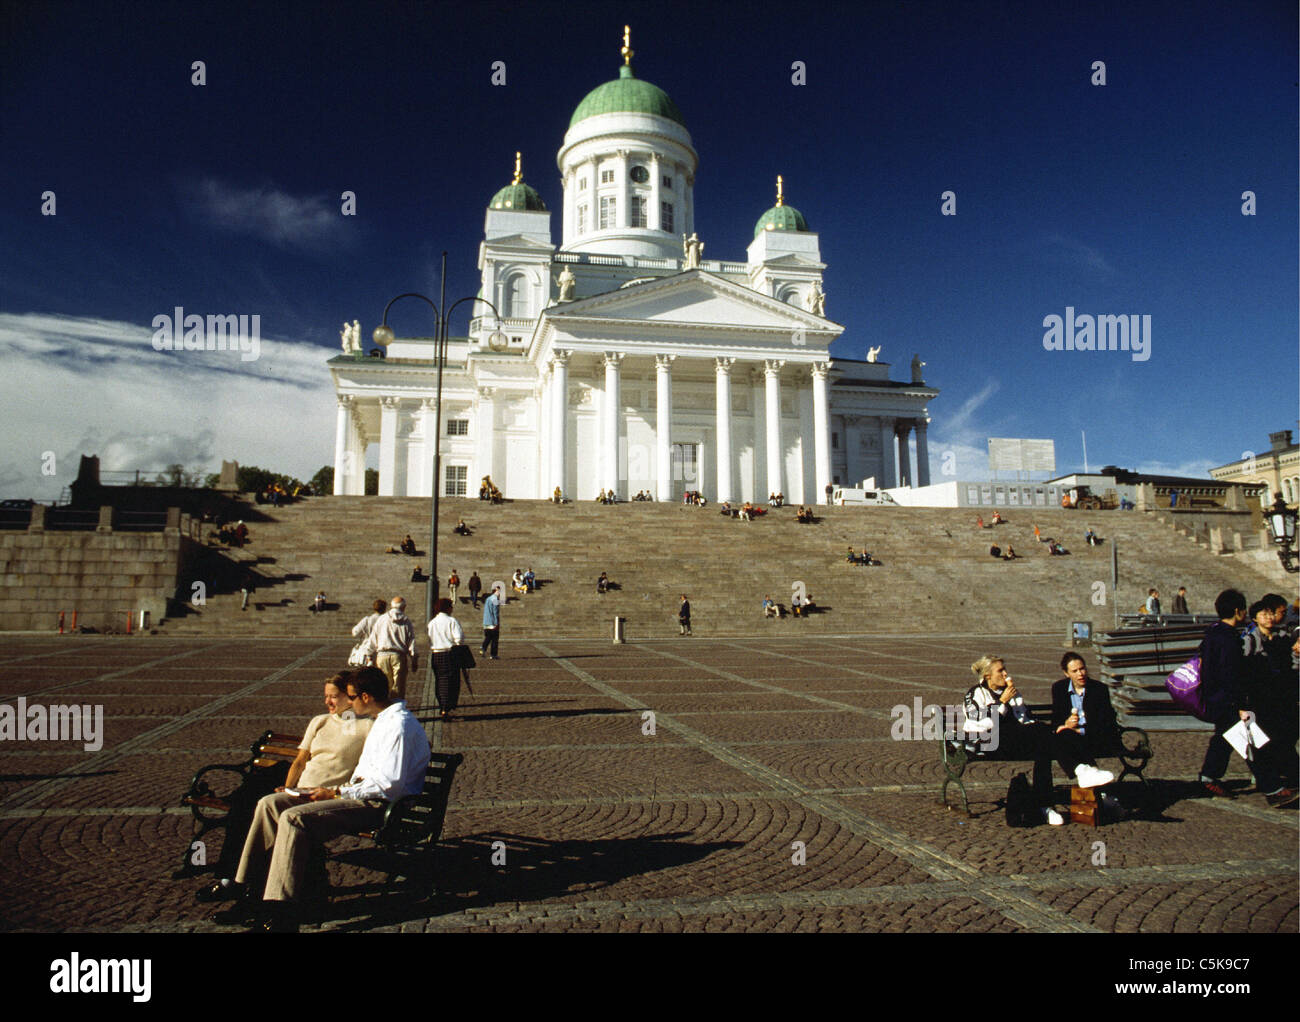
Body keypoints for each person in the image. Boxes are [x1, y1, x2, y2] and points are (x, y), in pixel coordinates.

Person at [212, 667, 429, 931]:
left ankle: (281, 913)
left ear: (366, 696)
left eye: (351, 697)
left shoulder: (398, 726)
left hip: (378, 806)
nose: (348, 702)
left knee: (294, 819)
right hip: (358, 795)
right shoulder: (382, 718)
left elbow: (388, 785)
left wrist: (337, 792)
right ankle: (247, 889)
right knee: (270, 804)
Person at [196, 672, 373, 902]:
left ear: (349, 697)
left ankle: (258, 891)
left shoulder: (367, 726)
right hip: (301, 790)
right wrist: (287, 788)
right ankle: (239, 882)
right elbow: (300, 761)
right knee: (260, 804)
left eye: (334, 696)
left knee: (279, 816)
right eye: (326, 696)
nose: (327, 702)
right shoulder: (319, 721)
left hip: (326, 796)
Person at [963, 655, 1114, 825]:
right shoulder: (976, 693)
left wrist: (1058, 728)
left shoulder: (1011, 691)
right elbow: (984, 725)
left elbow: (1025, 719)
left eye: (1005, 669)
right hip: (991, 741)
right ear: (988, 675)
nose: (1006, 674)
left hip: (1019, 738)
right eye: (1000, 671)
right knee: (1045, 736)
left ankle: (1047, 805)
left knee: (1055, 739)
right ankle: (1083, 772)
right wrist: (1002, 701)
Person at [1198, 589, 1295, 807]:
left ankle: (1208, 777)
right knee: (1252, 744)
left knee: (1223, 739)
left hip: (1215, 698)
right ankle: (1274, 790)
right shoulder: (1231, 639)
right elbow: (1231, 675)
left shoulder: (1212, 633)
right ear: (1238, 611)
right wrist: (1241, 705)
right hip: (1230, 701)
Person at [1242, 595, 1299, 790]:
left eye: (1270, 613)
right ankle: (1273, 781)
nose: (1268, 617)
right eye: (1263, 614)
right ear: (1255, 618)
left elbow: (1292, 664)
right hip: (1260, 697)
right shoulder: (1250, 639)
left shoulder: (1282, 637)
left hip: (1281, 695)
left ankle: (1286, 777)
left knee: (1283, 737)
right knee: (1266, 740)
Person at [1050, 653, 1119, 762]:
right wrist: (1066, 724)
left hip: (1093, 737)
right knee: (1064, 738)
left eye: (1082, 669)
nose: (1080, 674)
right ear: (1066, 673)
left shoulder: (1099, 689)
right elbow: (1056, 719)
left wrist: (1080, 731)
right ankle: (1091, 771)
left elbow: (1104, 722)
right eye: (1075, 671)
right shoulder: (1059, 688)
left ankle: (1087, 771)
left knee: (1068, 740)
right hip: (1069, 736)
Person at [368, 596, 417, 702]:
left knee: (384, 684)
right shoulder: (406, 620)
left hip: (382, 655)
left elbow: (373, 637)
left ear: (391, 606)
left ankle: (385, 706)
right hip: (398, 656)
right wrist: (413, 659)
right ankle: (397, 706)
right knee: (399, 685)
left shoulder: (382, 619)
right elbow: (411, 641)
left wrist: (369, 654)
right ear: (404, 607)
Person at [428, 597, 468, 719]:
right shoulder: (452, 621)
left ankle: (442, 705)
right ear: (448, 608)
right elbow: (459, 638)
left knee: (439, 681)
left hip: (436, 654)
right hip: (449, 653)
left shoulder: (432, 622)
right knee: (451, 682)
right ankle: (446, 708)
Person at [481, 584, 502, 659]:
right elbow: (495, 612)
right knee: (495, 639)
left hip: (486, 622)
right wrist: (497, 623)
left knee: (488, 637)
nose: (499, 593)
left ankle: (483, 647)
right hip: (492, 622)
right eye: (498, 591)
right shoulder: (495, 599)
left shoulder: (488, 599)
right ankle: (493, 654)